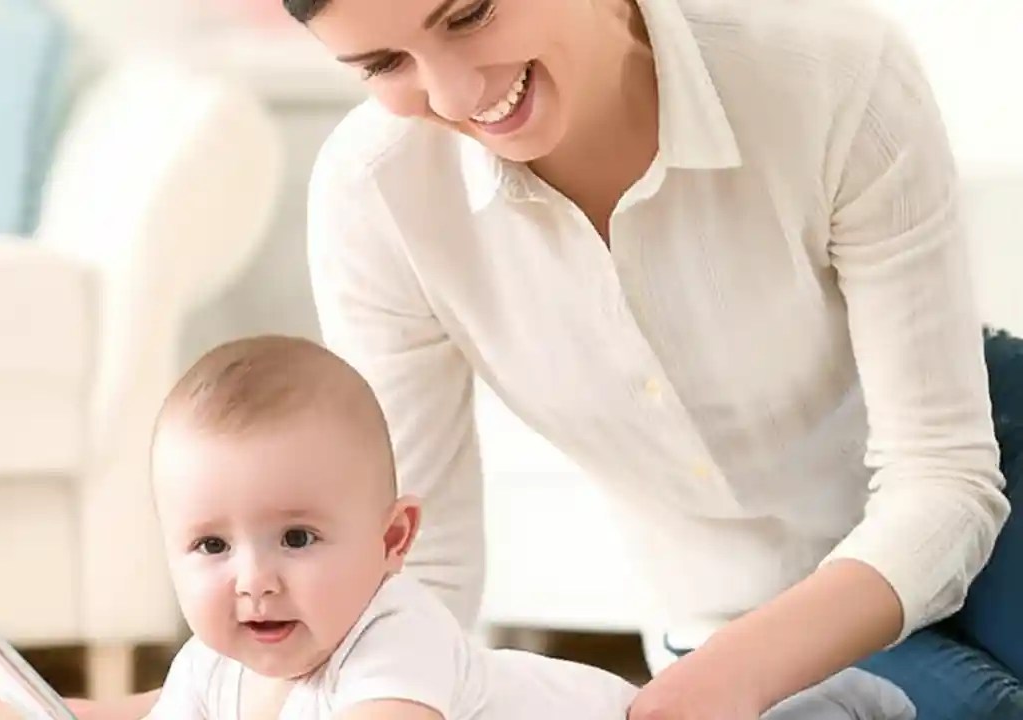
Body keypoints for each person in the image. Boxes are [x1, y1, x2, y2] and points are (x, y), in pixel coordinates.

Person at [76, 0, 1023, 718]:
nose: (453, 96)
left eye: (469, 13)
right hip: (735, 606)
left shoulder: (831, 73)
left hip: (982, 475)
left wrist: (722, 682)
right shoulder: (377, 195)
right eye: (384, 62)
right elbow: (410, 568)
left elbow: (942, 479)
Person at [138, 334, 918, 719]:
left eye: (297, 538)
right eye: (211, 545)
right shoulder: (211, 672)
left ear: (393, 541)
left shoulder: (392, 635)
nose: (254, 578)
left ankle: (842, 701)